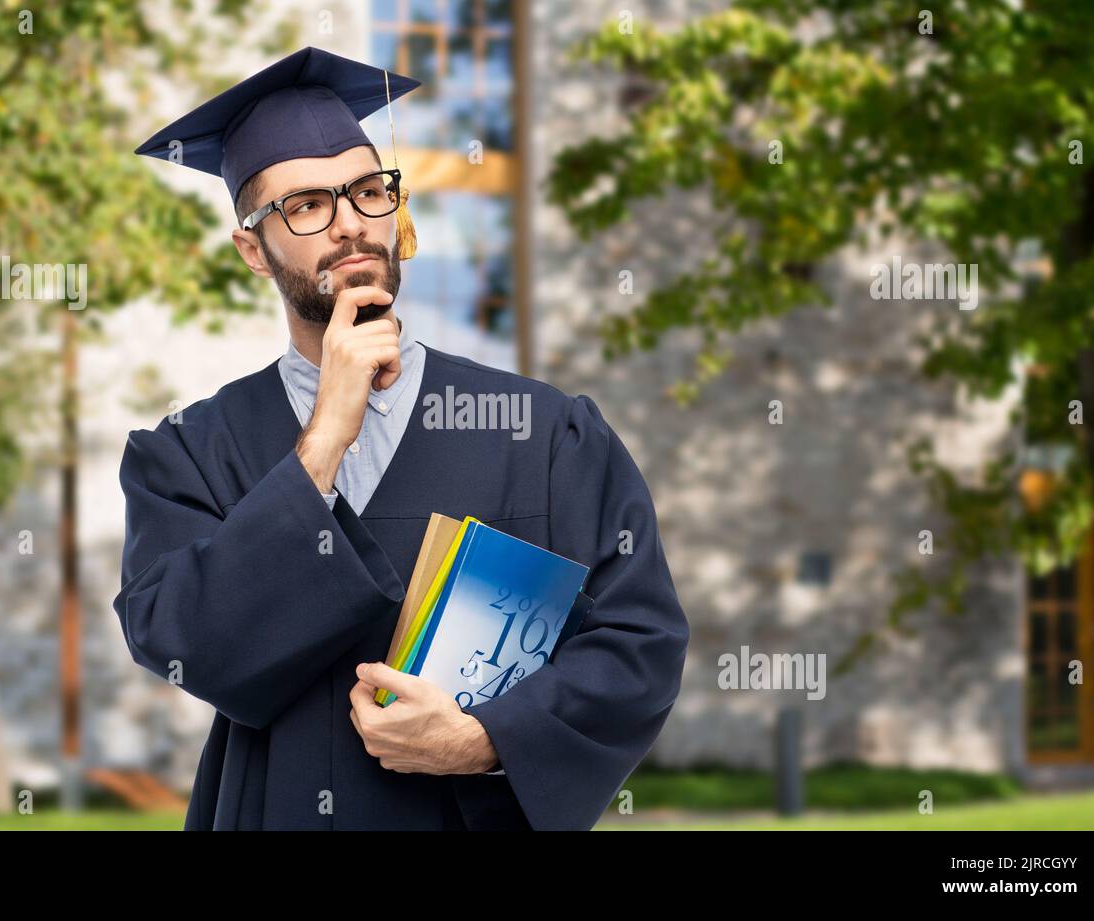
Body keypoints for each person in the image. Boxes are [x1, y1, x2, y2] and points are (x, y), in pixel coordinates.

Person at [115, 45, 690, 830]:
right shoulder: (187, 453)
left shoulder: (545, 433)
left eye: (366, 190)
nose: (351, 223)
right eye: (307, 206)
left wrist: (487, 737)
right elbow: (192, 645)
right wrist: (322, 441)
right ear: (253, 248)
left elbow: (640, 641)